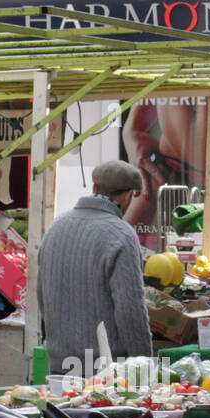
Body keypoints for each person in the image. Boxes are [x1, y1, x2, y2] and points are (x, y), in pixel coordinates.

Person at [36, 160, 153, 373]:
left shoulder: (55, 228)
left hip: (59, 367)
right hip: (106, 373)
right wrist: (144, 364)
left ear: (94, 188)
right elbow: (130, 311)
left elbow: (42, 297)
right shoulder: (121, 235)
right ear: (128, 196)